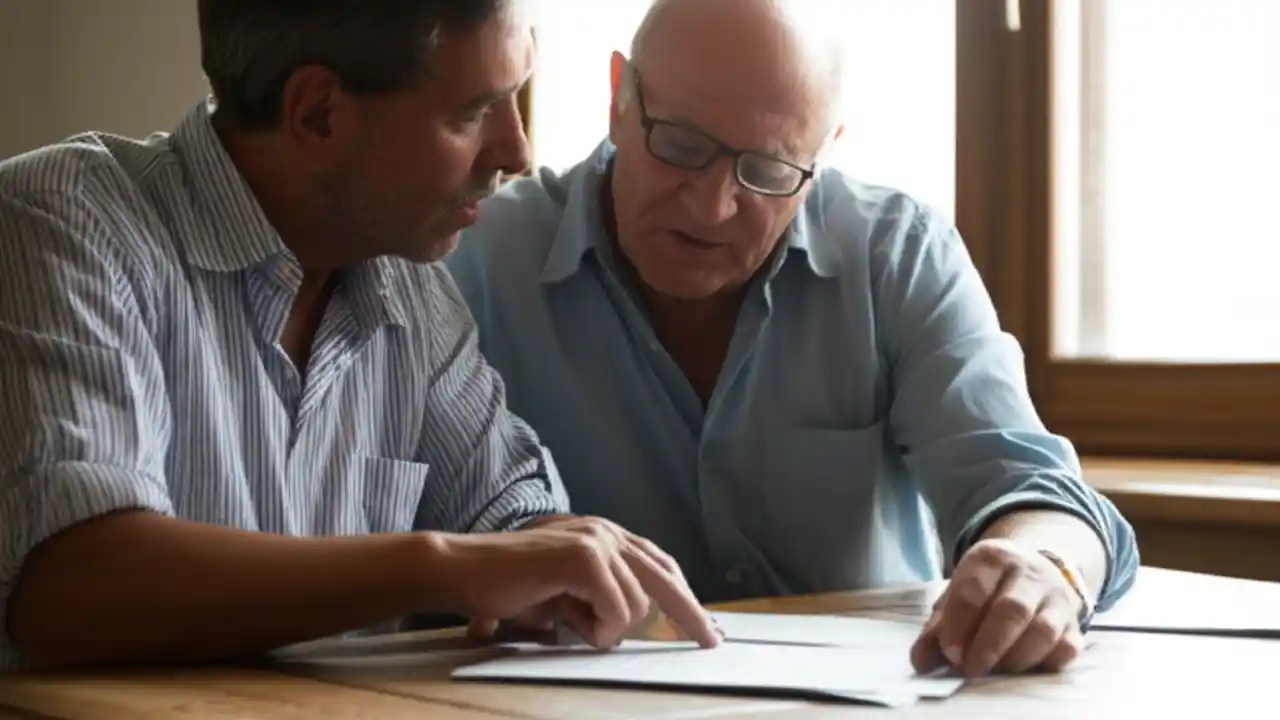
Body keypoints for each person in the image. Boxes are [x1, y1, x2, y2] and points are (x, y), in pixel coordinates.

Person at [0, 0, 719, 671]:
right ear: (318, 114)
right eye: (473, 113)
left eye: (516, 98)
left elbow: (512, 521)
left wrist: (557, 556)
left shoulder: (411, 287)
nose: (515, 151)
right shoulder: (62, 222)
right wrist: (439, 566)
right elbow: (73, 585)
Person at [446, 0, 1140, 679]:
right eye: (681, 146)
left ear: (823, 153)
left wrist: (1043, 565)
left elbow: (1034, 490)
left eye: (769, 172)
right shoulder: (477, 262)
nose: (713, 206)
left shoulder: (894, 255)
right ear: (618, 98)